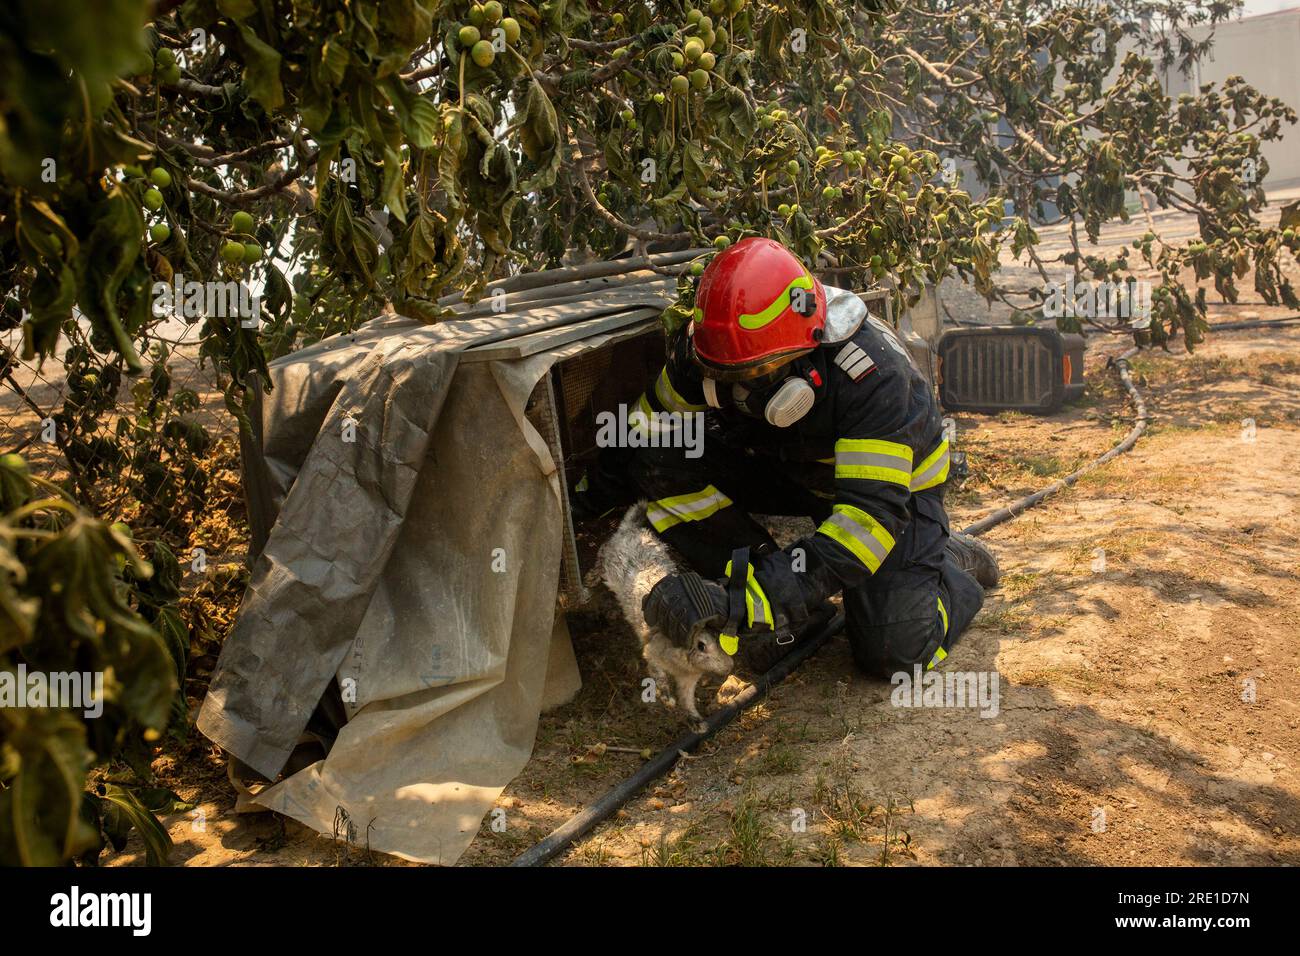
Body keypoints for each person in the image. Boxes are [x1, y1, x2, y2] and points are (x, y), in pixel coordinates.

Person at [580, 236, 998, 676]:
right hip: (788, 468)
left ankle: (946, 565)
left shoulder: (872, 378)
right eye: (729, 376)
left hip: (889, 497)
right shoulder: (706, 351)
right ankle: (781, 605)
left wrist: (740, 606)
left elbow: (866, 521)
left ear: (807, 351)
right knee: (656, 460)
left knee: (894, 650)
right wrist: (585, 503)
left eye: (760, 373)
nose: (743, 391)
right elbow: (642, 429)